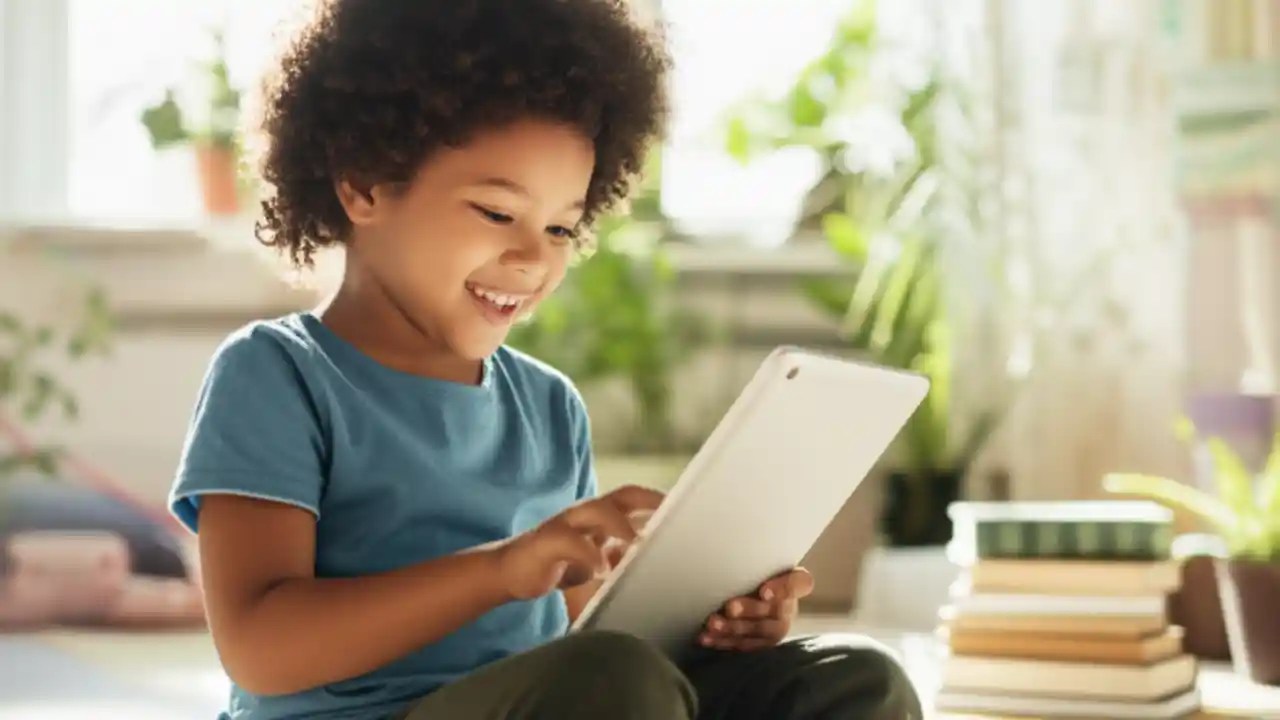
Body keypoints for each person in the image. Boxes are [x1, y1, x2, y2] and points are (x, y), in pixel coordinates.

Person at [169, 1, 923, 719]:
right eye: (498, 213)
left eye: (563, 228)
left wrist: (714, 626)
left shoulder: (547, 405)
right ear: (364, 183)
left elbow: (580, 634)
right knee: (609, 682)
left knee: (854, 680)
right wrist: (500, 570)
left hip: (547, 702)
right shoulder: (278, 375)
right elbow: (259, 649)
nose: (534, 257)